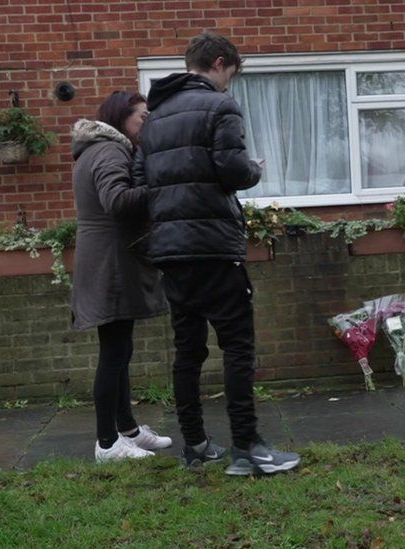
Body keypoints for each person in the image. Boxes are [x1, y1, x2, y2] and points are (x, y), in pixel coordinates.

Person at [136, 31, 300, 475]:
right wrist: (253, 170)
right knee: (238, 348)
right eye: (232, 74)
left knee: (188, 351)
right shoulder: (220, 106)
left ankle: (194, 445)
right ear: (221, 63)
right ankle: (247, 447)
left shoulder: (154, 116)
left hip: (171, 251)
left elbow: (140, 180)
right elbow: (231, 170)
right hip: (212, 246)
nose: (230, 83)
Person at [71, 91, 173, 463]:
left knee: (120, 349)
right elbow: (117, 201)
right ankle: (106, 443)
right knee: (113, 353)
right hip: (109, 263)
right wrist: (164, 188)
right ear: (121, 118)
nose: (147, 122)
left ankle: (127, 430)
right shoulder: (110, 151)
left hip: (108, 259)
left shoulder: (98, 150)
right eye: (142, 117)